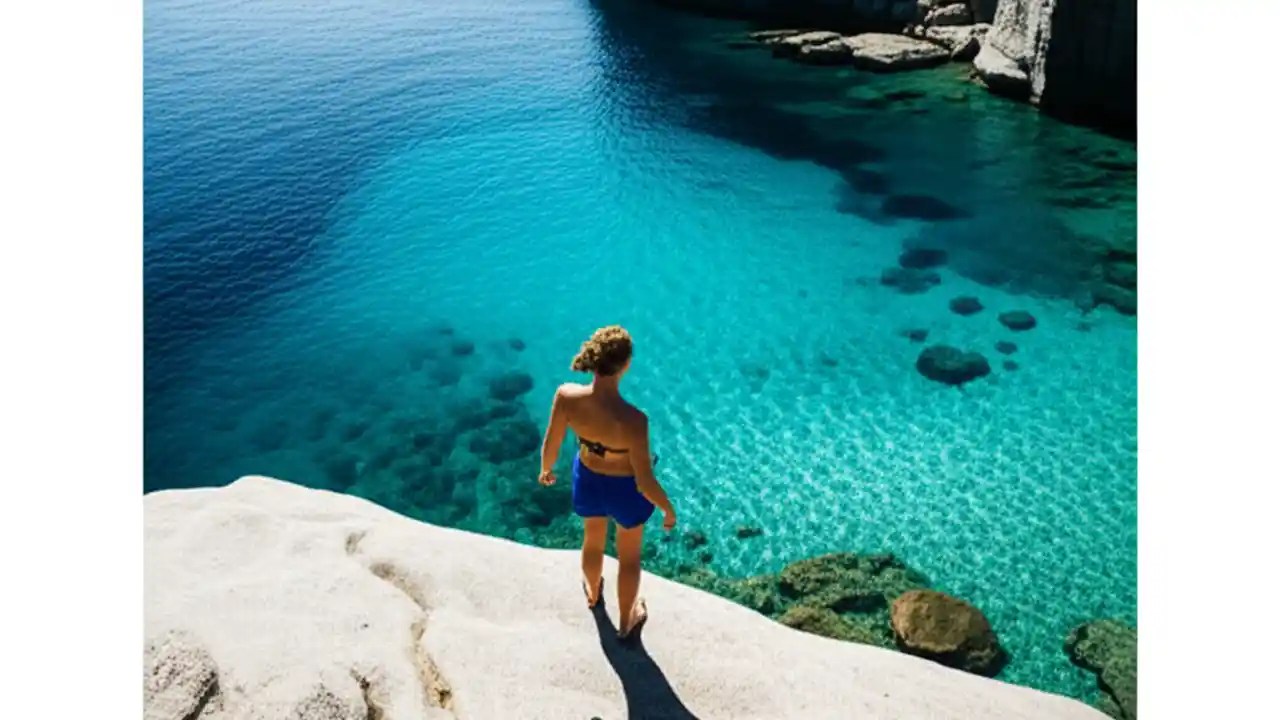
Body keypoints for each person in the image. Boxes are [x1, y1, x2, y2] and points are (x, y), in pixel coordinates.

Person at [538, 325, 677, 639]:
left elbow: (553, 441)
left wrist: (546, 469)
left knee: (593, 539)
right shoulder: (633, 419)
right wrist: (667, 509)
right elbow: (644, 480)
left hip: (587, 478)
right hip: (625, 489)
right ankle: (627, 623)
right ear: (625, 365)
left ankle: (592, 592)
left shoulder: (566, 396)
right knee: (628, 557)